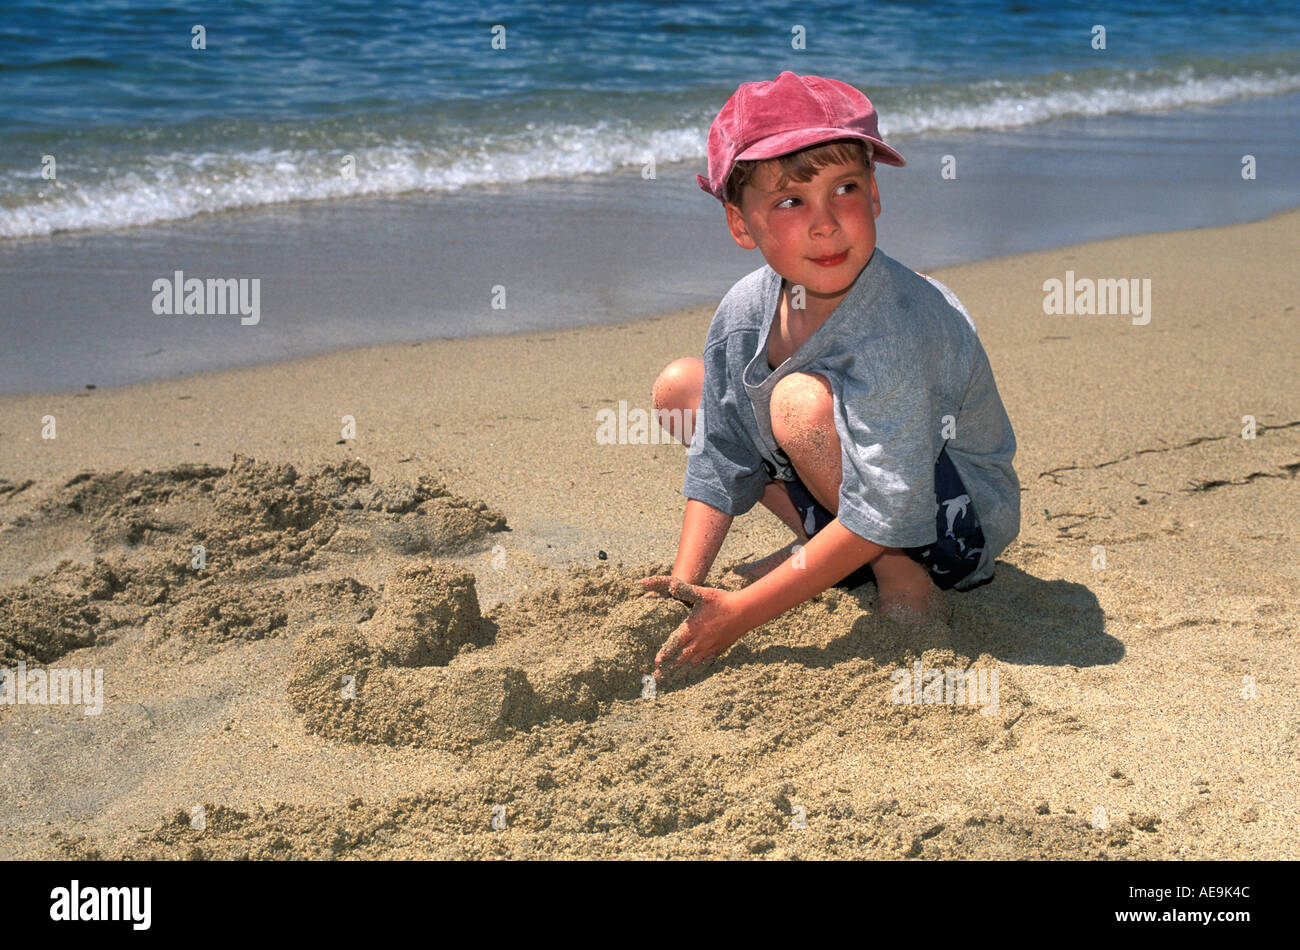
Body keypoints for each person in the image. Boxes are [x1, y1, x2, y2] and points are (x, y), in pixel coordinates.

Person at [642, 71, 1019, 682]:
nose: (826, 223)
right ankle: (832, 558)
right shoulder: (743, 313)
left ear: (875, 195)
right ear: (741, 225)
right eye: (791, 201)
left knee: (795, 402)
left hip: (951, 525)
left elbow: (888, 500)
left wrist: (739, 615)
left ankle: (901, 583)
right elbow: (722, 452)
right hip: (850, 490)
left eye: (844, 188)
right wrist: (689, 586)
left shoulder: (897, 319)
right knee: (682, 388)